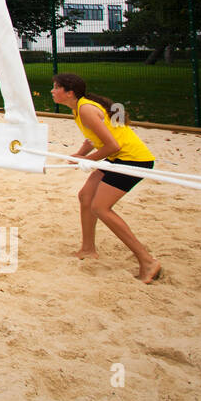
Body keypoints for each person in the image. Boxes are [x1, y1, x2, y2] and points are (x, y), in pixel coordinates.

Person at [51, 72, 161, 284]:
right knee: (86, 196)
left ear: (69, 92)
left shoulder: (85, 109)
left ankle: (147, 260)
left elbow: (113, 145)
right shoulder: (79, 107)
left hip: (133, 160)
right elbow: (93, 138)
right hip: (116, 158)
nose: (52, 91)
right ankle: (88, 249)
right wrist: (81, 154)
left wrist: (89, 161)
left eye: (56, 88)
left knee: (100, 207)